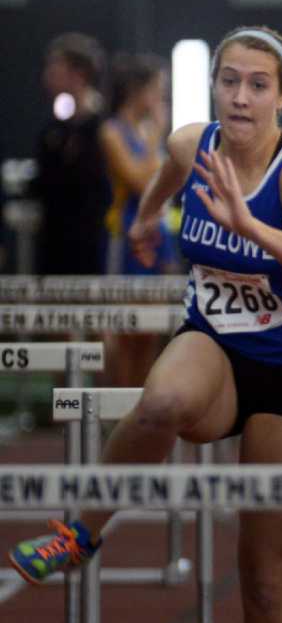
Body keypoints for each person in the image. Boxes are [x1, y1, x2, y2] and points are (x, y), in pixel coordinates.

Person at [9, 25, 282, 623]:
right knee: (160, 398)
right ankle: (78, 531)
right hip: (216, 346)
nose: (240, 96)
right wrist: (145, 219)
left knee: (264, 577)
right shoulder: (194, 143)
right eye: (229, 80)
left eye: (258, 84)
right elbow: (164, 169)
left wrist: (249, 227)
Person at [99, 52, 175, 387]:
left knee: (151, 330)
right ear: (137, 90)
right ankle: (117, 412)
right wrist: (157, 136)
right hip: (125, 234)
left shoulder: (146, 134)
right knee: (125, 328)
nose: (161, 100)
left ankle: (140, 408)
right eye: (157, 90)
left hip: (156, 235)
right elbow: (143, 183)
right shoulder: (111, 132)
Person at [31, 32, 111, 276]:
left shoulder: (104, 127)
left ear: (79, 74)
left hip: (90, 243)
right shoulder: (54, 127)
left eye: (55, 69)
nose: (47, 77)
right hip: (53, 242)